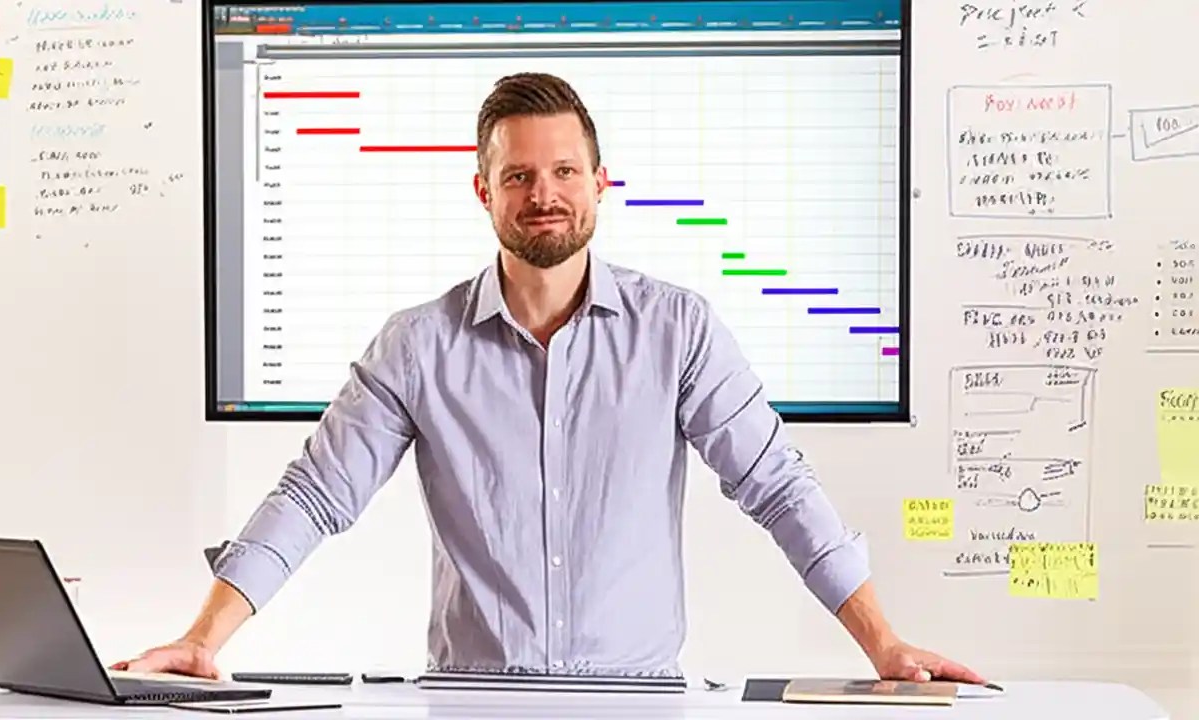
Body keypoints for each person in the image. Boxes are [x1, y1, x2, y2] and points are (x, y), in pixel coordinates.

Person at [114, 72, 984, 684]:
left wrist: (882, 642)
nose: (545, 193)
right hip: (470, 702)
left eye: (565, 171)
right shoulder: (418, 346)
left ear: (600, 185)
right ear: (483, 191)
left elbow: (777, 486)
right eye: (519, 174)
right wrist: (203, 638)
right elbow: (313, 497)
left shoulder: (676, 330)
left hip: (636, 700)